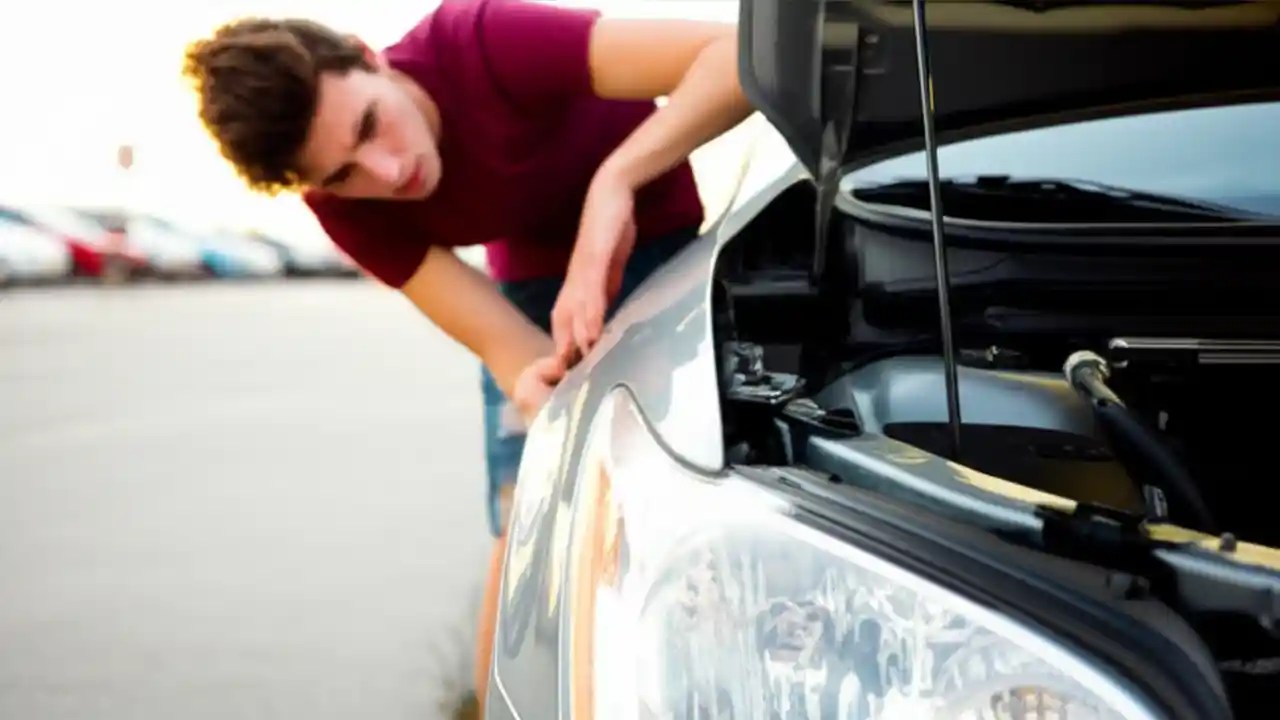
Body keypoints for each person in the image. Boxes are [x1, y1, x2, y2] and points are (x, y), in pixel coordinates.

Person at [181, 0, 751, 707]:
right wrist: (547, 399)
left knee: (697, 478)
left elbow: (733, 57)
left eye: (368, 124)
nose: (386, 174)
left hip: (655, 232)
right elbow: (511, 353)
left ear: (368, 56)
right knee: (529, 527)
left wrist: (616, 181)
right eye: (343, 173)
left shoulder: (478, 41)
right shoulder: (340, 207)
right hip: (536, 281)